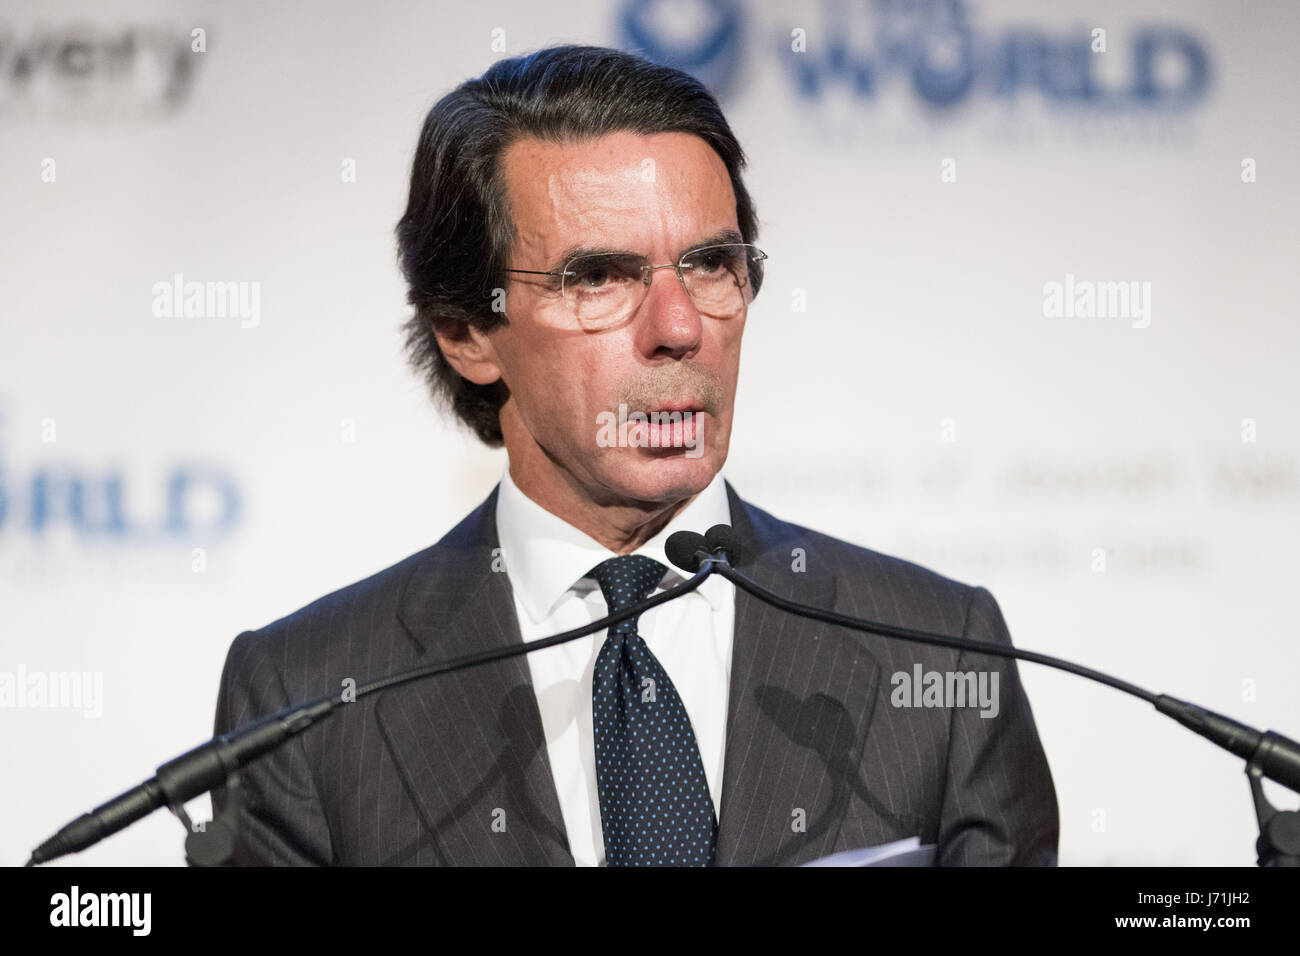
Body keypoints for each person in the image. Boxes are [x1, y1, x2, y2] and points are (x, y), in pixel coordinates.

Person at [213, 44, 1058, 866]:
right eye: (599, 278)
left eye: (711, 264)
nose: (680, 327)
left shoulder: (940, 657)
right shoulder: (309, 701)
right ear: (469, 332)